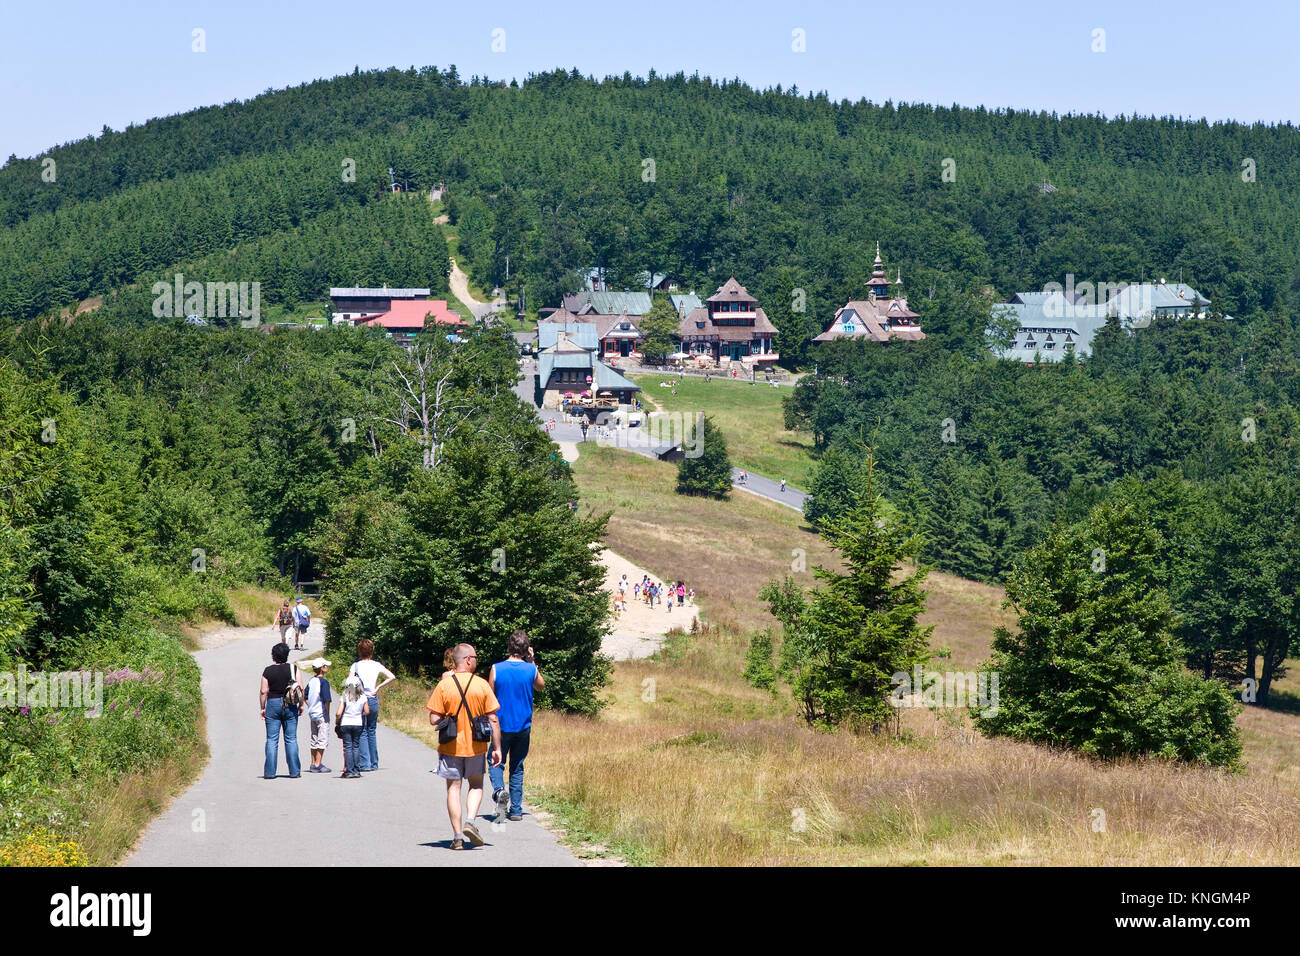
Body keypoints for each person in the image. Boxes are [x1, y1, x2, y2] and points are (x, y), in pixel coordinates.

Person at [426, 644, 502, 850]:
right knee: (476, 785)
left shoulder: (444, 685)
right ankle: (471, 821)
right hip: (476, 746)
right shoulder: (482, 685)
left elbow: (433, 719)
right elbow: (493, 718)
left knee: (453, 788)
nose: (477, 660)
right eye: (475, 657)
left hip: (450, 746)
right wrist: (497, 748)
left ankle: (457, 836)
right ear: (468, 660)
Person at [348, 640, 396, 772]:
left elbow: (350, 684)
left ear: (359, 651)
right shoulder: (376, 665)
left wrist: (353, 700)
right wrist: (378, 687)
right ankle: (374, 762)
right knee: (371, 730)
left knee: (362, 730)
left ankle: (365, 763)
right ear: (372, 651)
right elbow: (391, 676)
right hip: (373, 698)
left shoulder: (355, 666)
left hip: (361, 699)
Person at [259, 642, 304, 779]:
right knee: (291, 739)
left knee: (272, 739)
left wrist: (262, 707)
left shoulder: (268, 671)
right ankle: (294, 771)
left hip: (272, 704)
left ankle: (270, 772)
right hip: (290, 704)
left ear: (273, 656)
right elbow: (300, 688)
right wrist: (301, 705)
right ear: (287, 655)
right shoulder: (294, 669)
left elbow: (263, 691)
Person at [337, 675, 369, 778]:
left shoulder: (345, 695)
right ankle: (356, 770)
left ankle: (349, 771)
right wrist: (359, 714)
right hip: (358, 723)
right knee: (356, 746)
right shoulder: (363, 696)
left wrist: (337, 721)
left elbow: (338, 713)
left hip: (346, 722)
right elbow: (367, 711)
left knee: (348, 747)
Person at [305, 658, 333, 773]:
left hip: (312, 713)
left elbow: (305, 696)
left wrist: (310, 706)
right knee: (322, 738)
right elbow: (327, 700)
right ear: (322, 668)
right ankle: (318, 763)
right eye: (325, 665)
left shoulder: (311, 681)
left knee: (314, 737)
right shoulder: (324, 682)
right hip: (321, 714)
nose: (327, 667)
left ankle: (313, 762)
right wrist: (327, 712)